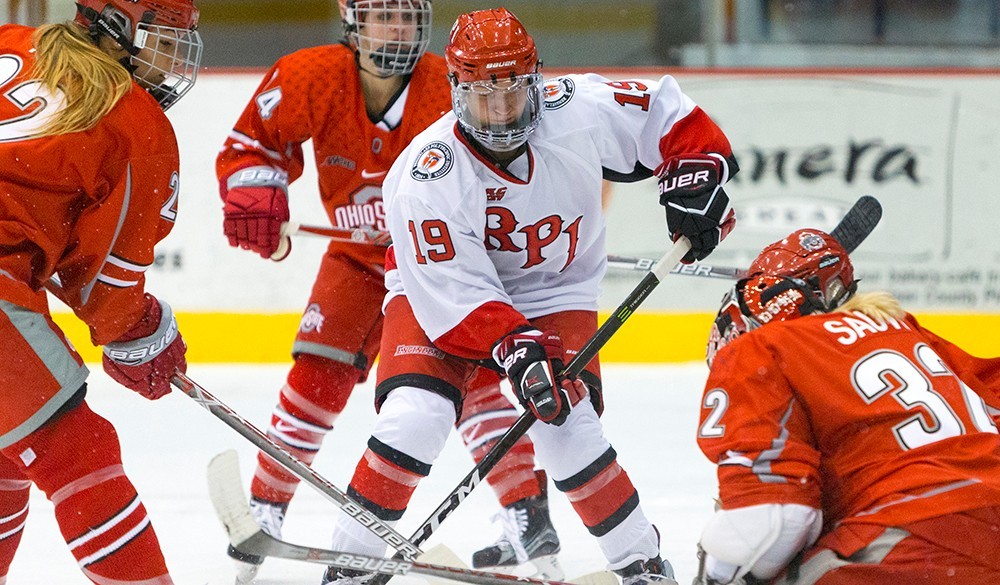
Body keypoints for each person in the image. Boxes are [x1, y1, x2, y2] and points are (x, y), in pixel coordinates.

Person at [320, 7, 738, 585]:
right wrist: (516, 347)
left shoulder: (578, 109)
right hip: (440, 300)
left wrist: (695, 172)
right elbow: (455, 291)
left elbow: (668, 115)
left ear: (535, 79)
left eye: (513, 91)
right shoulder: (425, 176)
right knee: (415, 417)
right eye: (482, 96)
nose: (500, 111)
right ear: (456, 90)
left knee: (568, 427)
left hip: (554, 291)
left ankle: (642, 563)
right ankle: (350, 564)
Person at [215, 1, 564, 581]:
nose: (398, 29)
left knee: (476, 381)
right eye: (384, 15)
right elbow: (254, 143)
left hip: (439, 262)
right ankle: (266, 507)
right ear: (353, 21)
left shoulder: (448, 87)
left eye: (407, 15)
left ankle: (527, 514)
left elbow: (505, 166)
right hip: (356, 260)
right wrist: (256, 191)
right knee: (317, 376)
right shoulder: (311, 76)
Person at [0, 1, 201, 583]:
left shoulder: (11, 40)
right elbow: (106, 287)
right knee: (76, 451)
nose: (174, 60)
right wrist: (141, 330)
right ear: (117, 30)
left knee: (11, 443)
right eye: (165, 40)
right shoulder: (132, 115)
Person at [693, 228, 1000, 584]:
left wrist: (716, 576)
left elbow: (773, 521)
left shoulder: (760, 349)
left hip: (913, 537)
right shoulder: (900, 329)